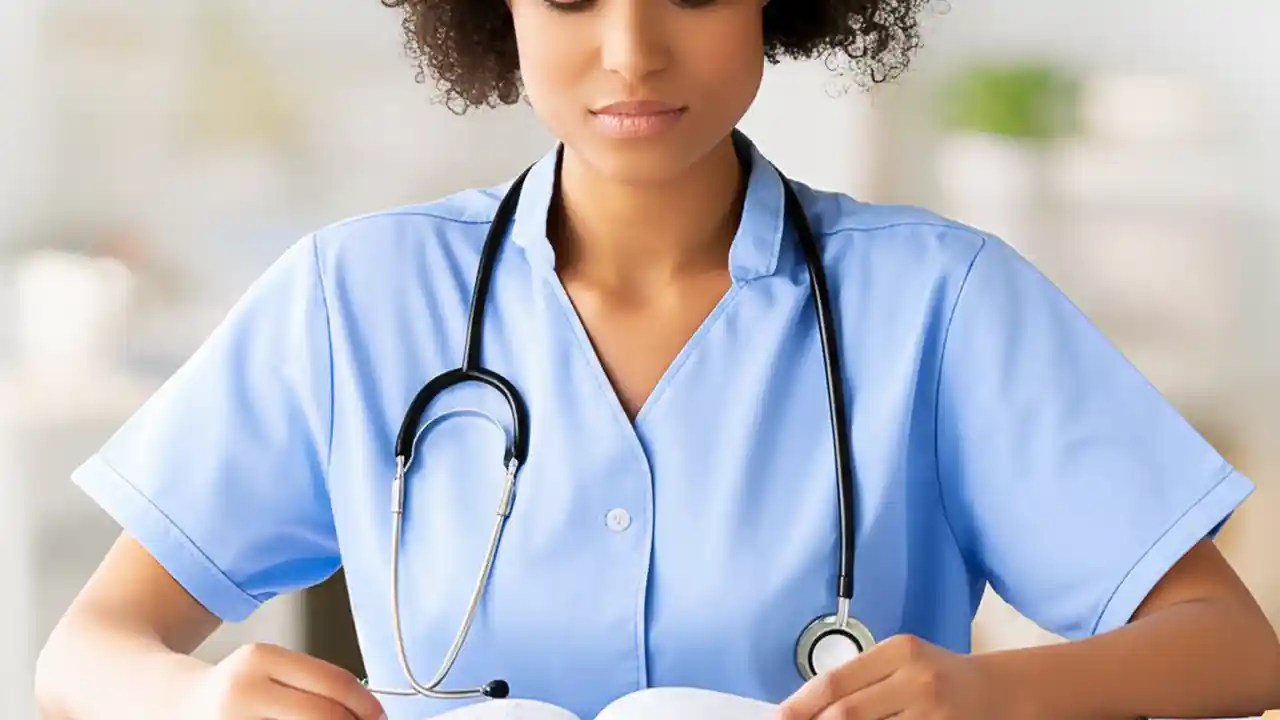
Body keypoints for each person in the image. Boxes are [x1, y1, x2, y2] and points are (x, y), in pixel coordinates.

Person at [34, 0, 1280, 718]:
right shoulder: (351, 298)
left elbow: (1229, 649)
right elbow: (86, 650)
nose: (630, 51)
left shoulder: (940, 302)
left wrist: (985, 698)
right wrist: (197, 701)